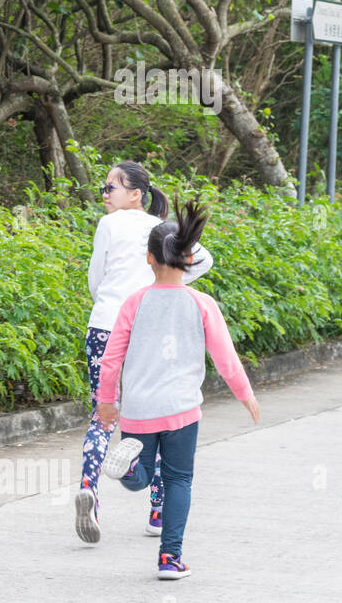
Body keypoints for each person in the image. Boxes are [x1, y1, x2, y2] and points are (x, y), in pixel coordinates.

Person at [96, 200, 260, 579]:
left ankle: (130, 469)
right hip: (181, 409)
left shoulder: (133, 302)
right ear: (189, 258)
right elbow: (226, 359)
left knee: (143, 475)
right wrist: (246, 396)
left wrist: (107, 403)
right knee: (178, 479)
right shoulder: (202, 303)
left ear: (148, 259)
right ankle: (169, 558)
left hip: (138, 407)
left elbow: (111, 358)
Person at [74, 161, 214, 544]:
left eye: (111, 188)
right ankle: (157, 510)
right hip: (147, 328)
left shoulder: (110, 225)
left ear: (136, 193)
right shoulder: (160, 229)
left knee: (102, 414)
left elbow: (95, 278)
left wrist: (109, 299)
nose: (105, 194)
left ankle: (90, 490)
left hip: (105, 324)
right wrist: (168, 280)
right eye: (103, 188)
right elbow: (204, 259)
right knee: (155, 415)